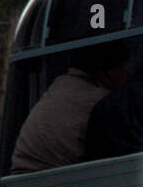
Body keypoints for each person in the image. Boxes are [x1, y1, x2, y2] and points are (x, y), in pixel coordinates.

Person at [10, 42, 129, 173]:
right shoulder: (101, 101)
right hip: (60, 182)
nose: (128, 75)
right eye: (124, 70)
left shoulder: (60, 86)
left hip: (21, 179)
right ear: (109, 72)